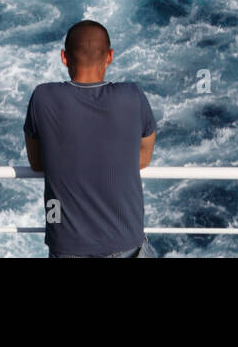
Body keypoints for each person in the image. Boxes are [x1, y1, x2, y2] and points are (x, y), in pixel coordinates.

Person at [24, 19, 156, 257]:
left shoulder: (43, 97)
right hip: (127, 245)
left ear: (64, 57)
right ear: (110, 56)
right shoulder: (133, 96)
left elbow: (37, 162)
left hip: (67, 246)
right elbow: (143, 158)